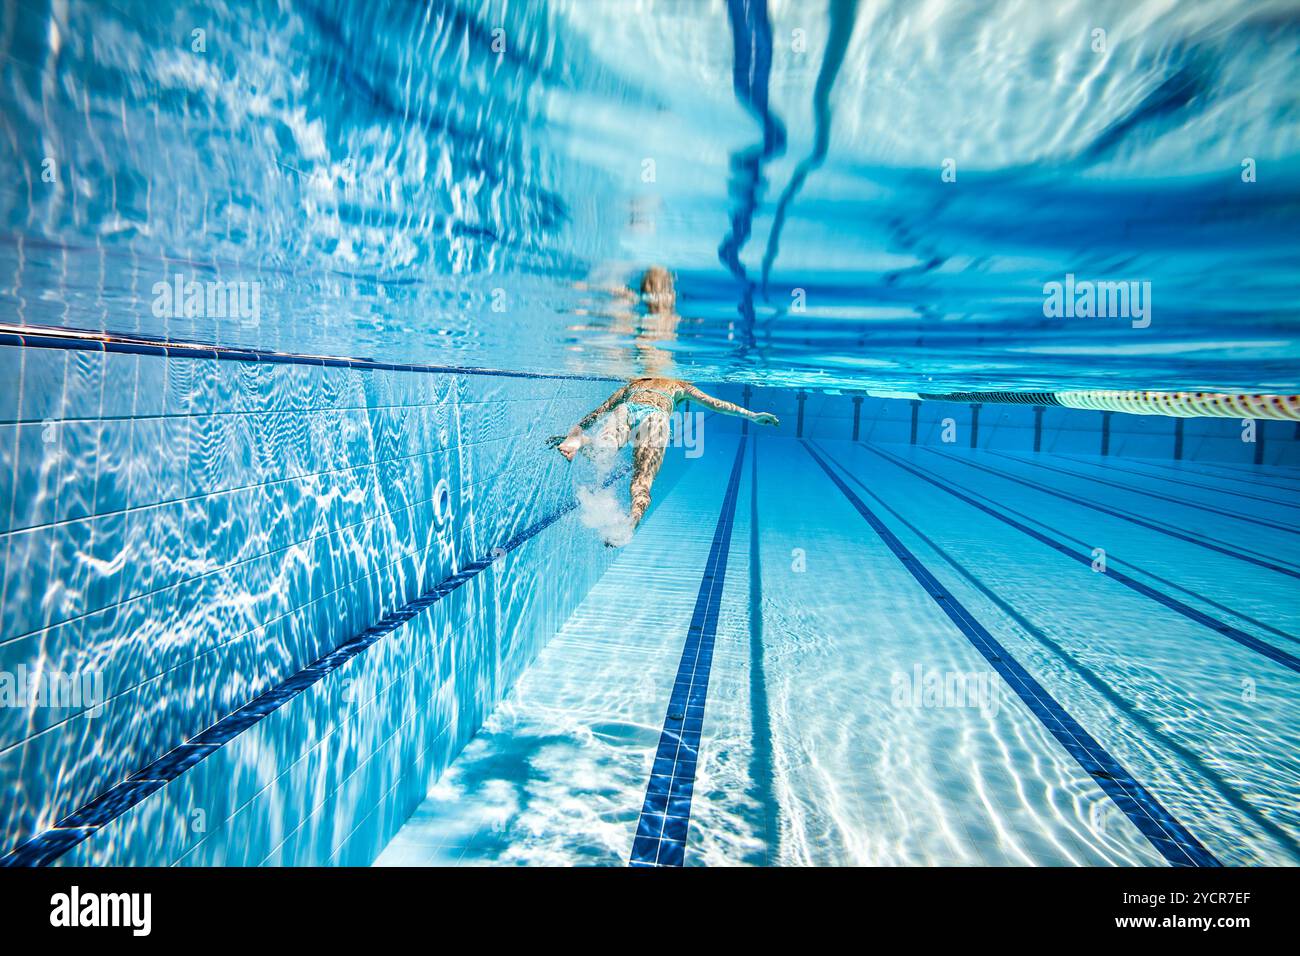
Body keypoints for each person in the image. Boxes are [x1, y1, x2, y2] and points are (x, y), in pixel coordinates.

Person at [549, 373, 778, 543]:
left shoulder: (635, 383)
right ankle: (630, 522)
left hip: (627, 408)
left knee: (602, 451)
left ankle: (580, 441)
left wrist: (576, 430)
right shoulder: (679, 384)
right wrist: (752, 415)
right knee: (642, 481)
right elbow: (716, 405)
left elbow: (603, 409)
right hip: (656, 417)